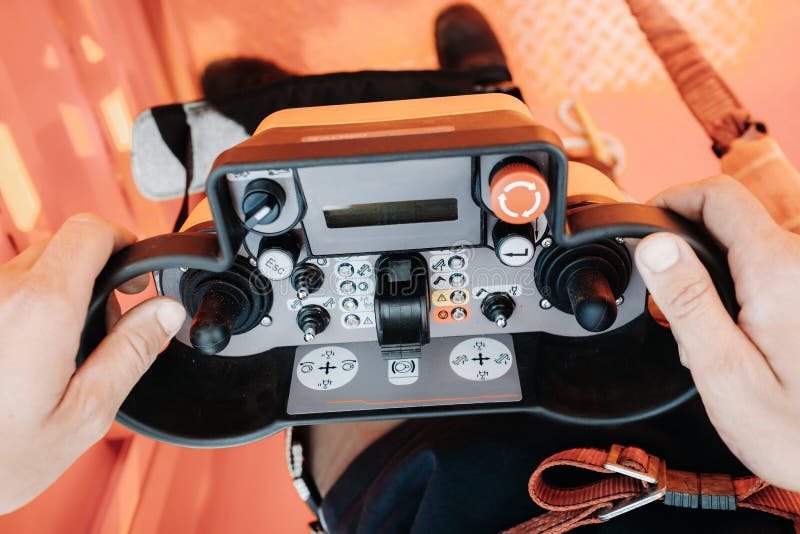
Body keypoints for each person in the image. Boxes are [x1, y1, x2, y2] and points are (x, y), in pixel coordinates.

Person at [2, 5, 799, 532]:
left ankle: (276, 120)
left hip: (411, 483)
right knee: (549, 190)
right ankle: (489, 90)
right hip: (707, 429)